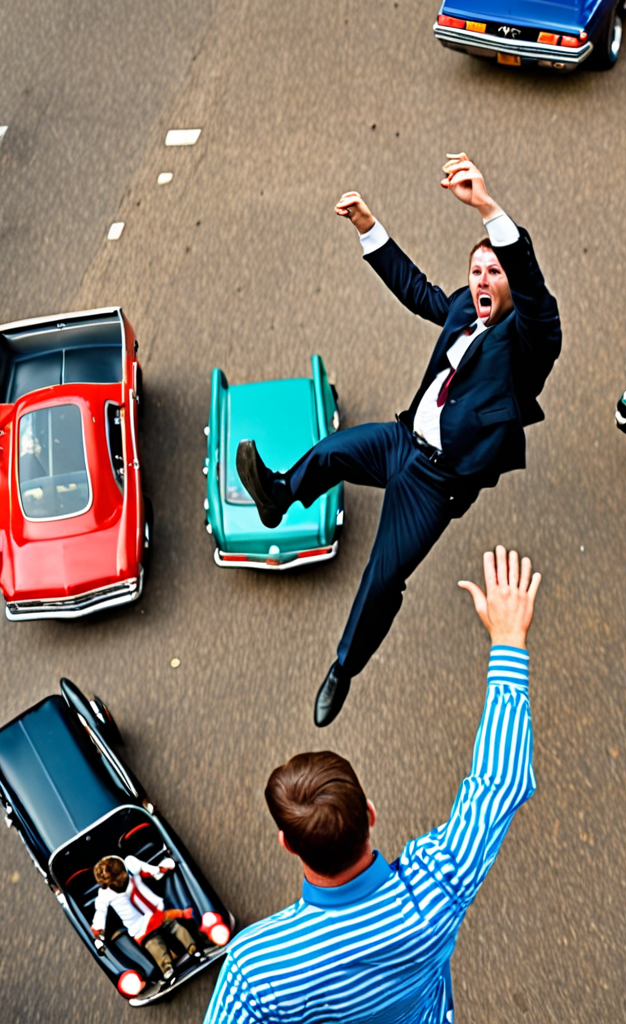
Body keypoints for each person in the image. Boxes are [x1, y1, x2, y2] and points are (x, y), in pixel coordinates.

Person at [236, 154, 560, 726]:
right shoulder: (464, 307)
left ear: (512, 284)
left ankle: (344, 667)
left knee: (383, 578)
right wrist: (368, 226)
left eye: (495, 272)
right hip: (403, 440)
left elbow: (533, 290)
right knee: (333, 450)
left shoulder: (531, 342)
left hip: (437, 483)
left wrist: (487, 208)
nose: (482, 280)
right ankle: (279, 496)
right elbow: (417, 291)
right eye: (477, 271)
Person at [203, 546, 540, 1023]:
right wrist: (508, 639)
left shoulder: (257, 967)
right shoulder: (438, 886)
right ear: (370, 814)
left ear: (287, 843)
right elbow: (499, 783)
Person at [90, 854, 198, 979]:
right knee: (153, 944)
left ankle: (193, 949)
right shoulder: (104, 896)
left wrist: (161, 868)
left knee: (175, 927)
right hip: (141, 928)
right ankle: (168, 970)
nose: (123, 880)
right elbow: (100, 913)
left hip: (157, 913)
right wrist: (98, 928)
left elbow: (150, 870)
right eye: (118, 880)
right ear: (108, 884)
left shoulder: (131, 865)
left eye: (123, 875)